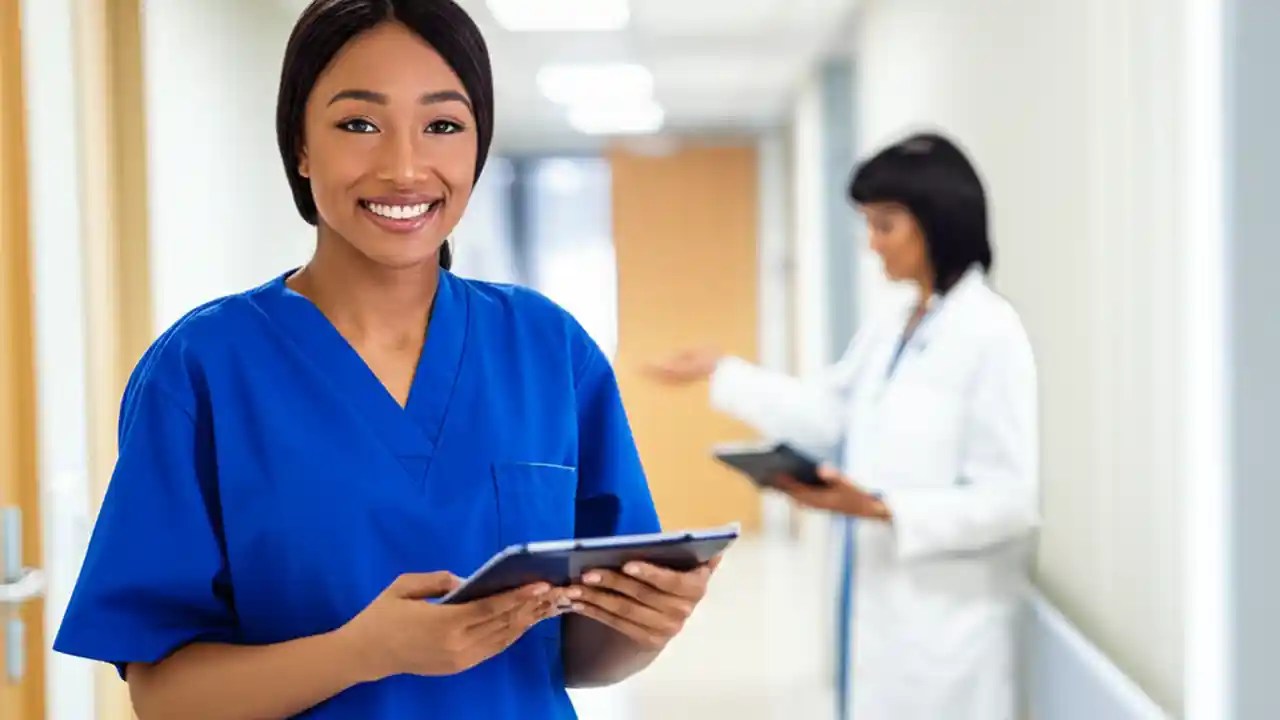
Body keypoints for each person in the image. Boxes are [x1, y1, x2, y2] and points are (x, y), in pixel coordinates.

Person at [53, 2, 719, 718]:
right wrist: (365, 652)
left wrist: (647, 625)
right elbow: (164, 698)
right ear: (300, 146)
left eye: (443, 126)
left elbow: (576, 658)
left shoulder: (547, 348)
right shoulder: (204, 369)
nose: (404, 168)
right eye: (359, 124)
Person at [648, 133, 1039, 720]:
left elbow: (1010, 503)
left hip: (947, 632)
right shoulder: (895, 324)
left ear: (937, 223)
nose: (872, 243)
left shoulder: (991, 333)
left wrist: (881, 508)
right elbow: (830, 415)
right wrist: (722, 372)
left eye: (885, 225)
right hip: (881, 616)